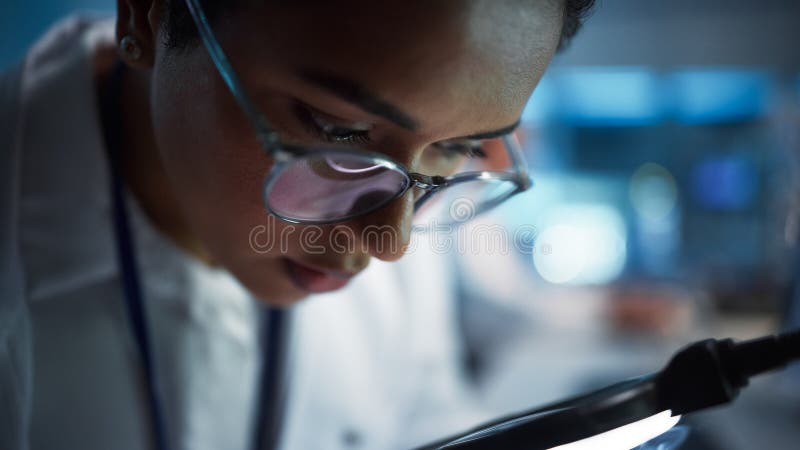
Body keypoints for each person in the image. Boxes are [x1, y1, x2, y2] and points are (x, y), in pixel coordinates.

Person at [0, 1, 594, 449]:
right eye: (337, 131)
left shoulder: (405, 198)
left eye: (457, 148)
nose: (392, 241)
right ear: (151, 17)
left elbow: (421, 416)